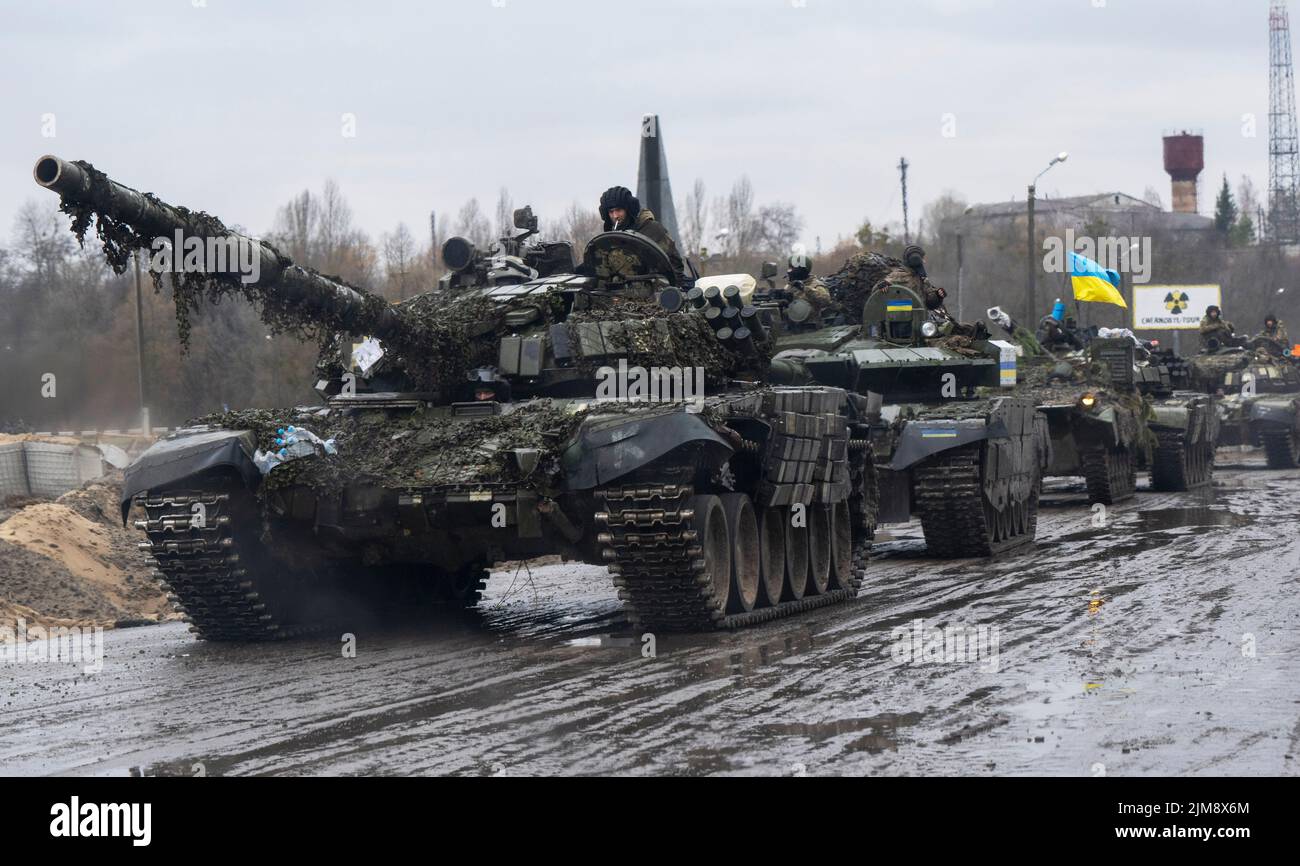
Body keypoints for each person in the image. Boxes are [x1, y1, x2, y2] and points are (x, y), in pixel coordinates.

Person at [598, 186, 688, 286]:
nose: (615, 216)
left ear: (628, 209)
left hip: (652, 293)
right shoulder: (610, 237)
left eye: (619, 210)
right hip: (618, 294)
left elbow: (675, 266)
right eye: (611, 212)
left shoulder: (653, 230)